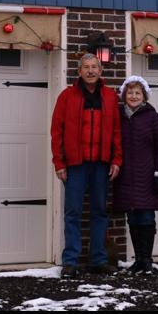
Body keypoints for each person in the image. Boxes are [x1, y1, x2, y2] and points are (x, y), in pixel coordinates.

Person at [51, 52, 122, 276]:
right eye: (86, 67)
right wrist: (59, 162)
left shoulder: (110, 96)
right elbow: (56, 131)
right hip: (76, 164)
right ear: (79, 71)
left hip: (101, 164)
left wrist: (116, 159)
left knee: (100, 212)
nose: (90, 71)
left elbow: (117, 131)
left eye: (94, 67)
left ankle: (98, 260)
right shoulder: (67, 96)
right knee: (73, 212)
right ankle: (70, 262)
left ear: (100, 71)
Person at [112, 75, 158, 273]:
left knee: (146, 217)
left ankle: (147, 260)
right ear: (124, 95)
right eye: (130, 92)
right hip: (125, 176)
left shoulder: (153, 118)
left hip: (147, 176)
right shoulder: (118, 117)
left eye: (138, 93)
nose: (134, 96)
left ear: (144, 96)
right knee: (133, 217)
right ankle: (138, 259)